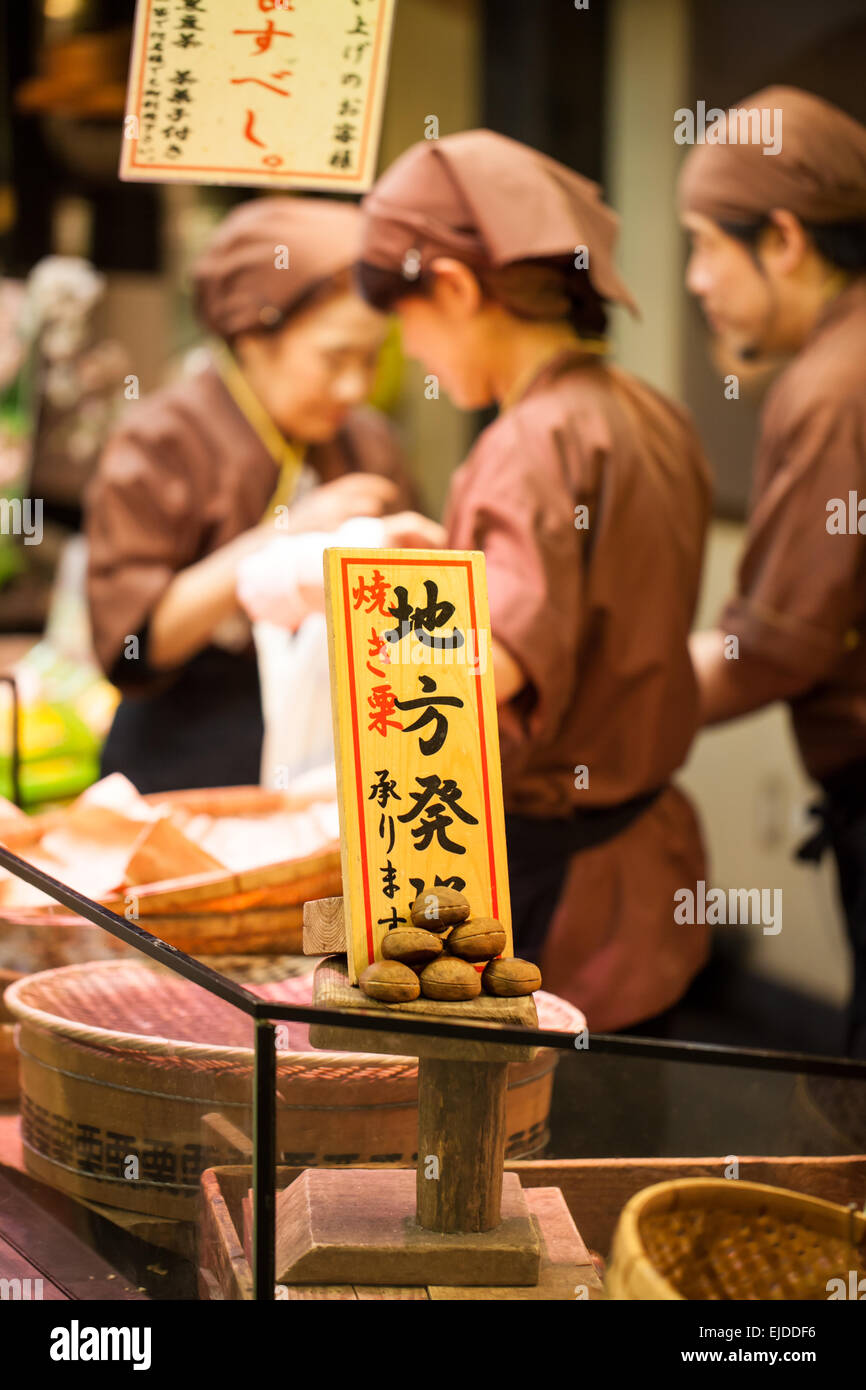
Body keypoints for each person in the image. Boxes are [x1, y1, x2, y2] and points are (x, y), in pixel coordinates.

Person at [353, 129, 713, 1033]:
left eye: (408, 323)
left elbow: (485, 662)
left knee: (539, 1142)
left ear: (455, 287)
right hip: (646, 852)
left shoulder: (527, 440)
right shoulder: (650, 414)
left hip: (564, 882)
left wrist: (356, 616)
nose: (417, 354)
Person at [85, 197, 415, 793]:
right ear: (253, 335)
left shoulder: (367, 440)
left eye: (371, 359)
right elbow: (132, 646)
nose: (356, 386)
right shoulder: (162, 438)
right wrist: (286, 538)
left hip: (340, 757)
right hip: (187, 757)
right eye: (335, 357)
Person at [679, 86, 866, 1056]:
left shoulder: (833, 384)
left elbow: (770, 650)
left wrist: (613, 710)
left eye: (707, 243)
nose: (696, 280)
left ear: (783, 240)